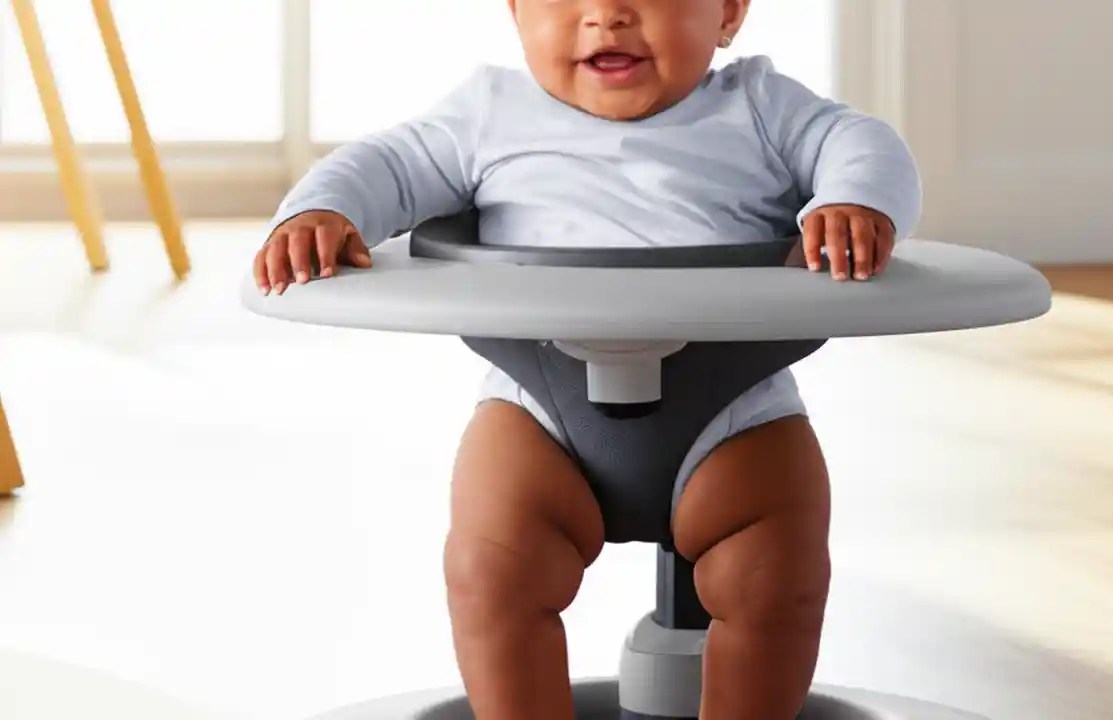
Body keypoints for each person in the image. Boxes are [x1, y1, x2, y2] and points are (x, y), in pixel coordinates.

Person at [252, 1, 921, 718]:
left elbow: (862, 143)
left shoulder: (759, 107)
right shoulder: (490, 113)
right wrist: (321, 211)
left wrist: (854, 201)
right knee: (491, 574)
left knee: (776, 582)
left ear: (727, 12)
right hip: (540, 406)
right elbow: (387, 163)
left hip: (736, 404)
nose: (607, 15)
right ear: (515, 12)